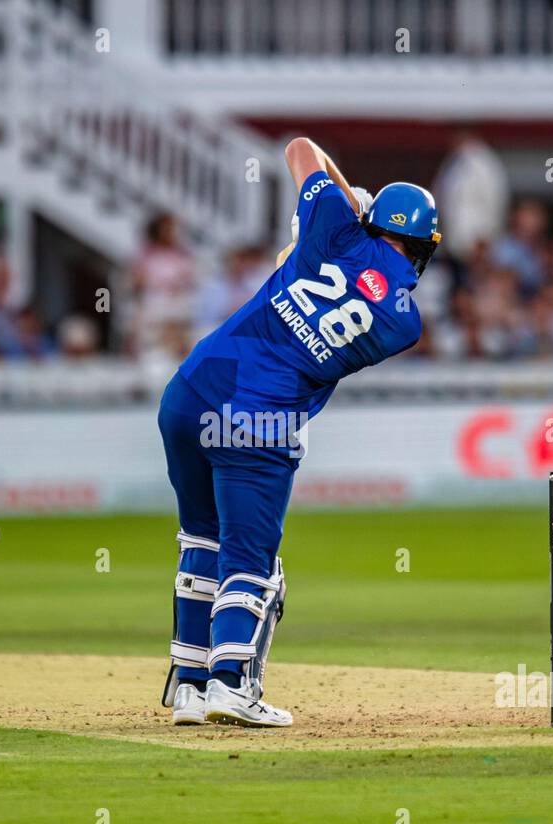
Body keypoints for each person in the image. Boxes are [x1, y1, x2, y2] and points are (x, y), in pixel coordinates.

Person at [157, 138, 440, 727]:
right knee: (248, 555)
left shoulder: (332, 223)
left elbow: (300, 148)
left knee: (200, 538)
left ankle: (187, 685)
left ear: (368, 218)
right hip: (259, 419)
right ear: (422, 250)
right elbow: (359, 285)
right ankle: (229, 684)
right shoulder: (404, 323)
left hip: (191, 390)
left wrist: (344, 195)